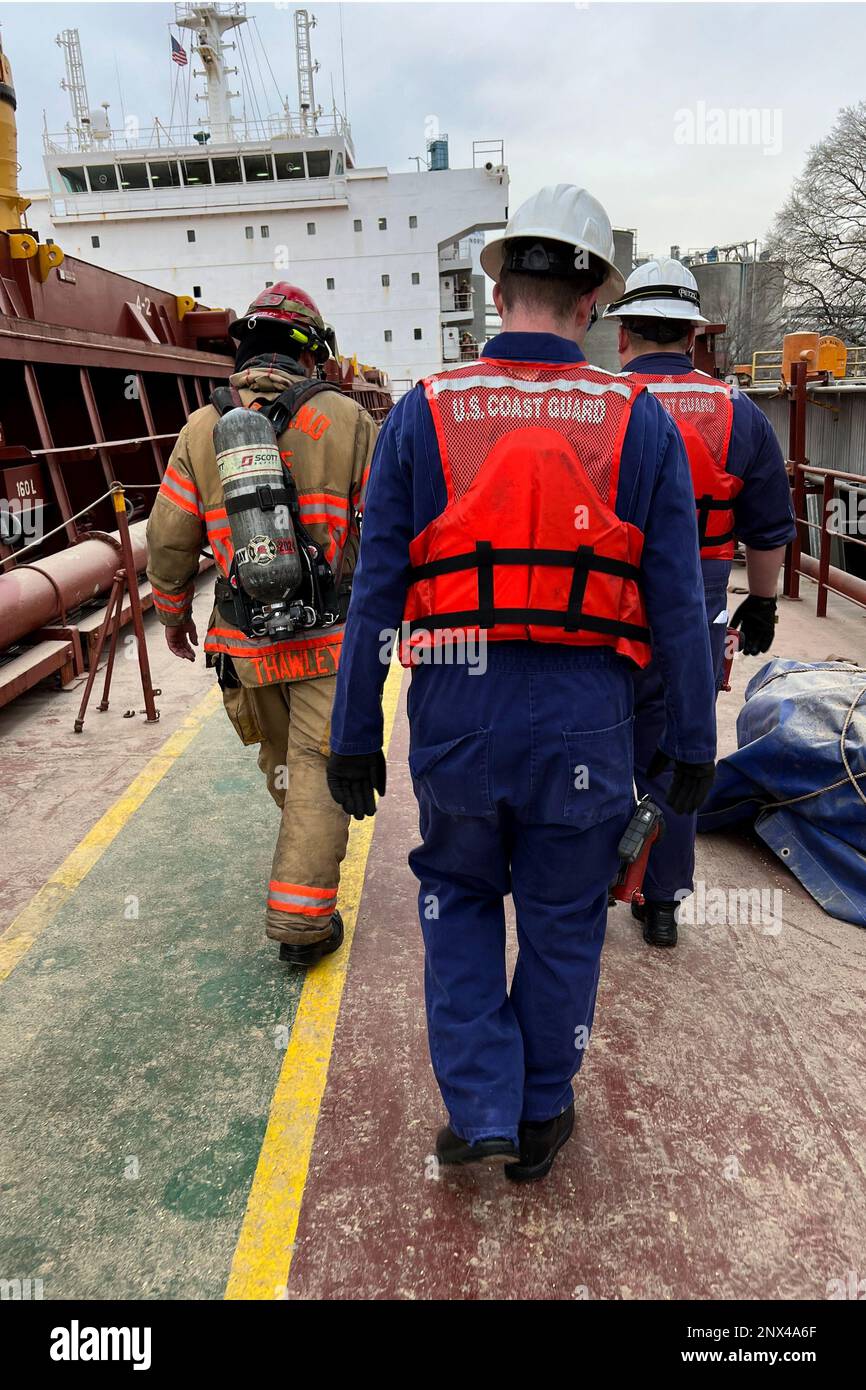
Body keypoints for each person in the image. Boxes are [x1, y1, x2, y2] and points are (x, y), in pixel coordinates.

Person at [326, 185, 717, 1182]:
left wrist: (351, 734)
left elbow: (375, 590)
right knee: (560, 912)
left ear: (493, 287)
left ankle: (479, 1108)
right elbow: (676, 605)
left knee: (453, 894)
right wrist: (691, 746)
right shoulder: (638, 421)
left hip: (455, 710)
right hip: (589, 718)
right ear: (592, 298)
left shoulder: (423, 409)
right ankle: (541, 1109)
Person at [146, 283, 378, 963]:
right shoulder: (347, 419)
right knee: (315, 769)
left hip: (243, 646)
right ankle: (302, 921)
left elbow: (168, 535)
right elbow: (386, 533)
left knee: (283, 767)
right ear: (312, 353)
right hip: (326, 645)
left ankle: (302, 866)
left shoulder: (201, 427)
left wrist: (170, 612)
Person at [603, 259, 796, 948]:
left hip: (605, 606)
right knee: (681, 749)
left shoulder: (600, 406)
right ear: (694, 335)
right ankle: (660, 904)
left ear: (624, 335)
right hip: (703, 606)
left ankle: (595, 878)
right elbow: (771, 529)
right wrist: (764, 603)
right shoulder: (738, 414)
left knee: (598, 743)